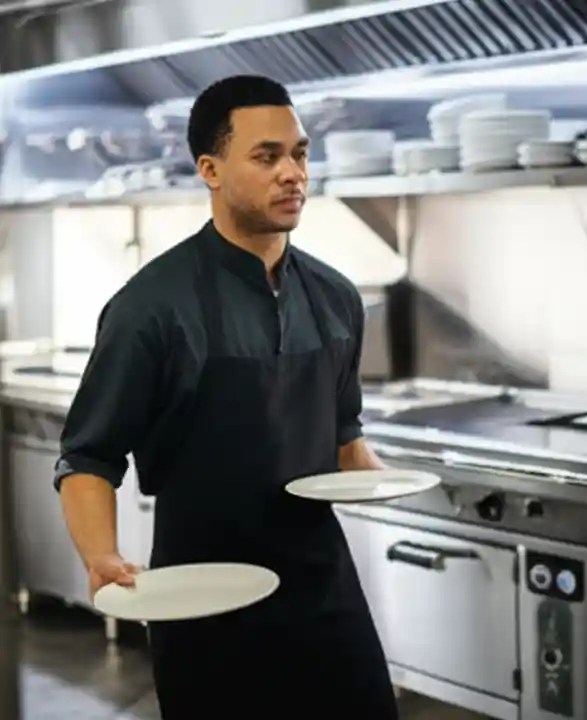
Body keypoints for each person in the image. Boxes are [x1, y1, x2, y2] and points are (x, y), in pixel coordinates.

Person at [55, 75, 398, 719]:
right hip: (203, 596)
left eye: (299, 153)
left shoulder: (337, 298)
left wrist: (390, 485)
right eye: (267, 157)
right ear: (210, 170)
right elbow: (87, 456)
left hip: (324, 591)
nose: (293, 173)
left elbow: (345, 440)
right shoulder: (149, 308)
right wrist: (101, 557)